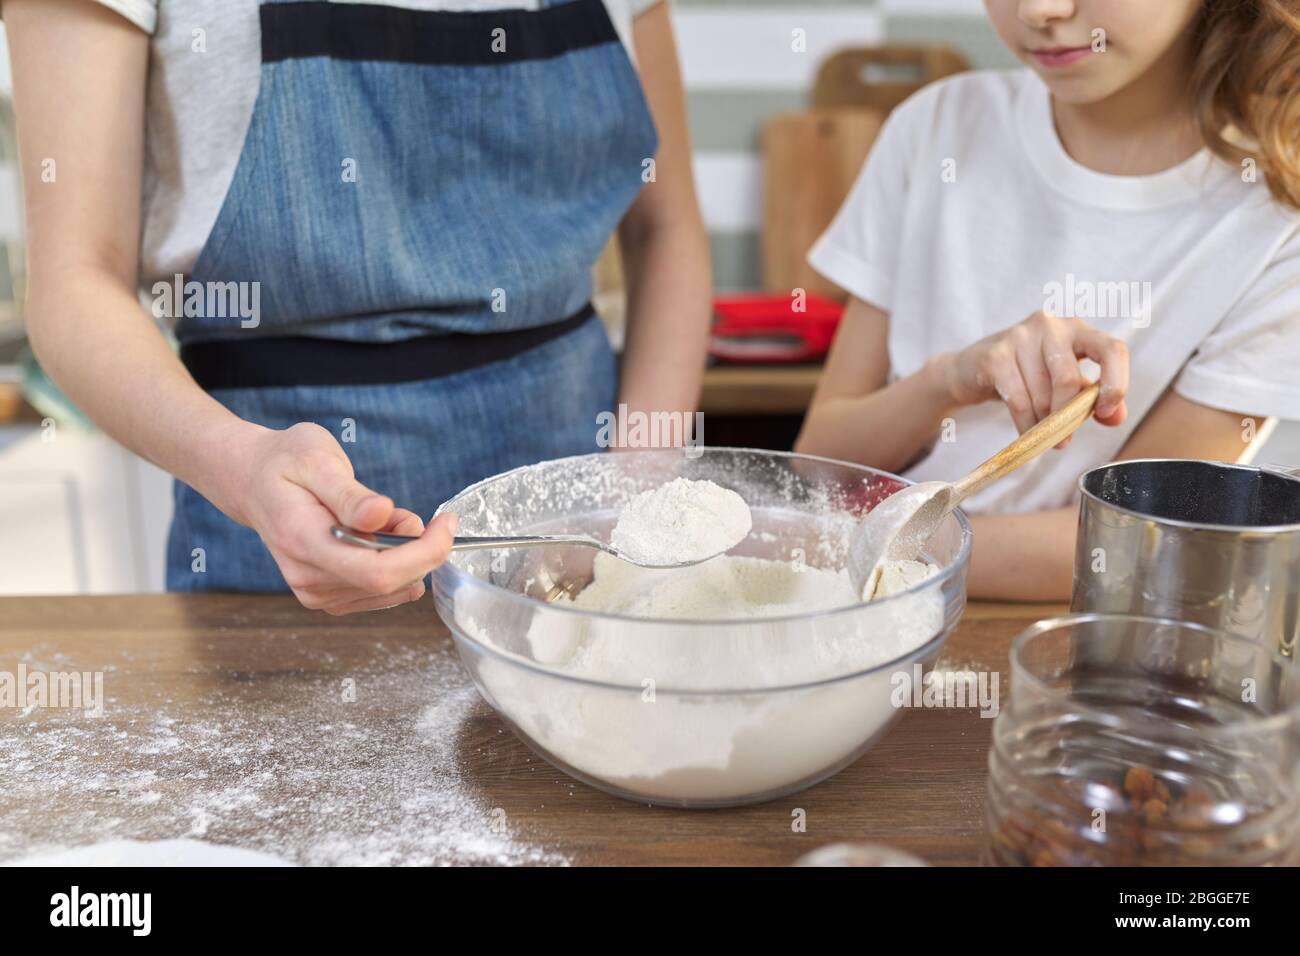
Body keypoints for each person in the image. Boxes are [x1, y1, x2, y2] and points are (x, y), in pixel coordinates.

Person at [7, 0, 711, 613]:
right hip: (271, 550)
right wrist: (247, 472)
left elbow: (667, 229)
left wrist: (629, 503)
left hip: (578, 523)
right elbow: (74, 283)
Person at [795, 0, 1300, 600]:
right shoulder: (937, 125)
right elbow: (819, 461)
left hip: (1071, 636)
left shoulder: (1276, 210)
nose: (1038, 11)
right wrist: (949, 381)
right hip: (866, 611)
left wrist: (842, 544)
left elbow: (1138, 542)